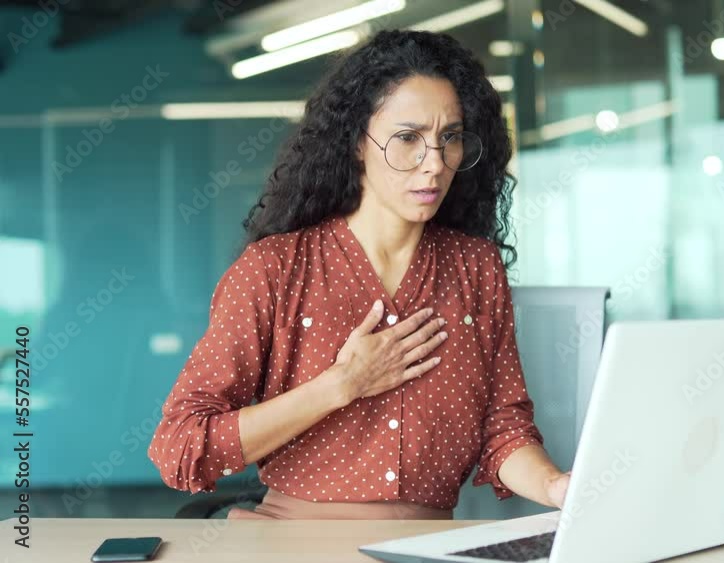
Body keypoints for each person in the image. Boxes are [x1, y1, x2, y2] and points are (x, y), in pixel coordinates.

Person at [147, 29, 572, 520]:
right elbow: (179, 447)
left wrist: (558, 487)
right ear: (355, 143)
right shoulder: (275, 268)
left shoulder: (475, 268)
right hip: (291, 544)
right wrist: (340, 385)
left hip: (428, 547)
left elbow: (504, 432)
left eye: (449, 138)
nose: (433, 163)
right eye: (408, 138)